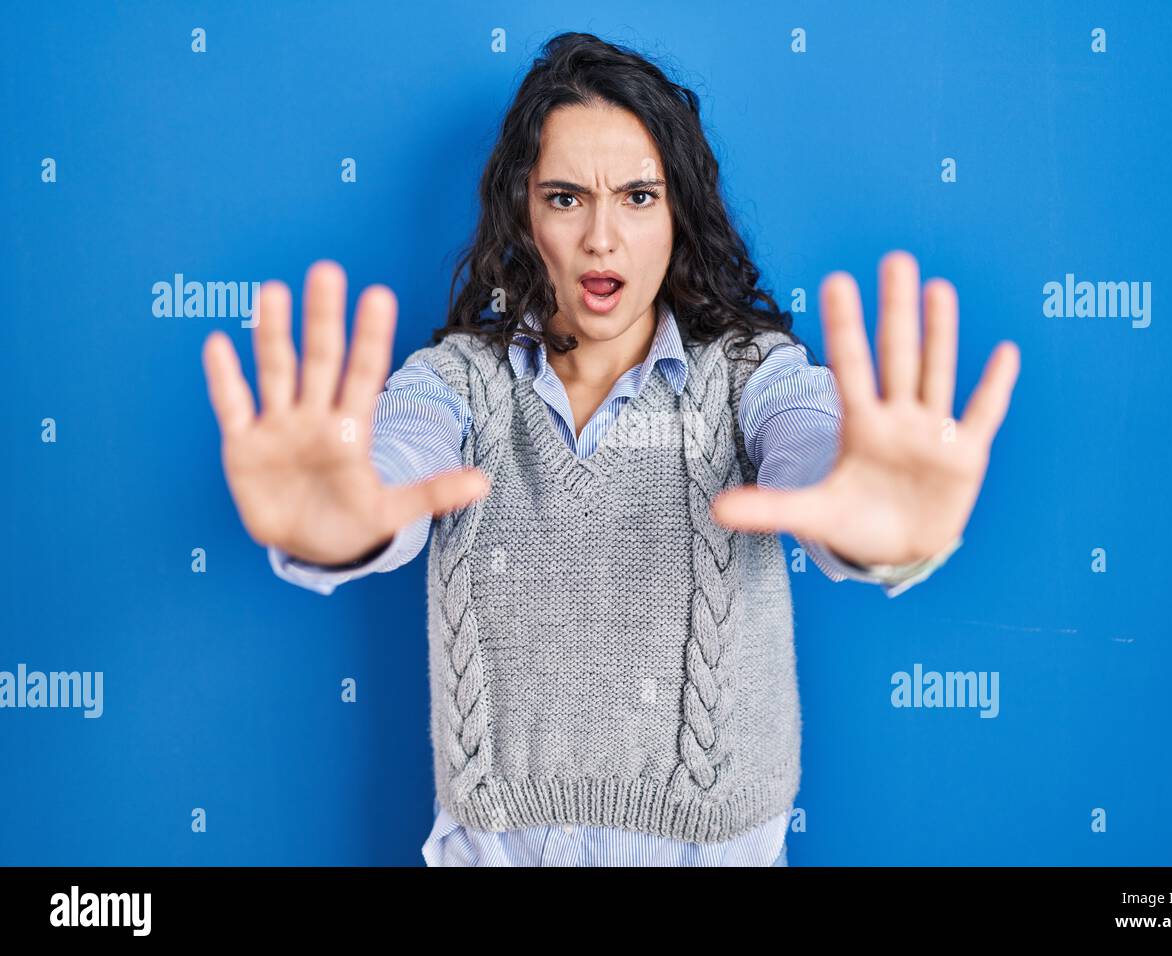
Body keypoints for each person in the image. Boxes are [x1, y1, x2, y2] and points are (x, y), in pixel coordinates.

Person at [200, 32, 1019, 867]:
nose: (600, 238)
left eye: (637, 197)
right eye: (564, 198)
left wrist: (863, 513)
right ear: (523, 210)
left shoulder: (750, 376)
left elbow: (810, 443)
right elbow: (399, 453)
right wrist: (343, 521)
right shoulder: (457, 379)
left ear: (678, 213)